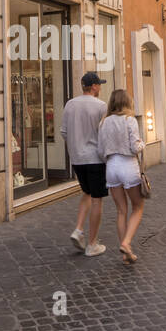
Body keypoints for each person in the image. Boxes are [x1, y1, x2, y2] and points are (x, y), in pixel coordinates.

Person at [60, 71, 109, 256]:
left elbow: (64, 132)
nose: (100, 88)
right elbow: (104, 134)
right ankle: (92, 244)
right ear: (94, 86)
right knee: (97, 200)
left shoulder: (70, 104)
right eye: (99, 85)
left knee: (87, 193)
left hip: (77, 159)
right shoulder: (101, 106)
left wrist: (75, 146)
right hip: (95, 159)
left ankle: (78, 229)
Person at [98, 89, 146, 264]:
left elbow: (100, 150)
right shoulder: (129, 120)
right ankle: (126, 243)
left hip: (111, 167)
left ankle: (126, 254)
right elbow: (135, 147)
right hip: (128, 165)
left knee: (121, 211)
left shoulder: (104, 122)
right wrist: (143, 144)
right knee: (138, 207)